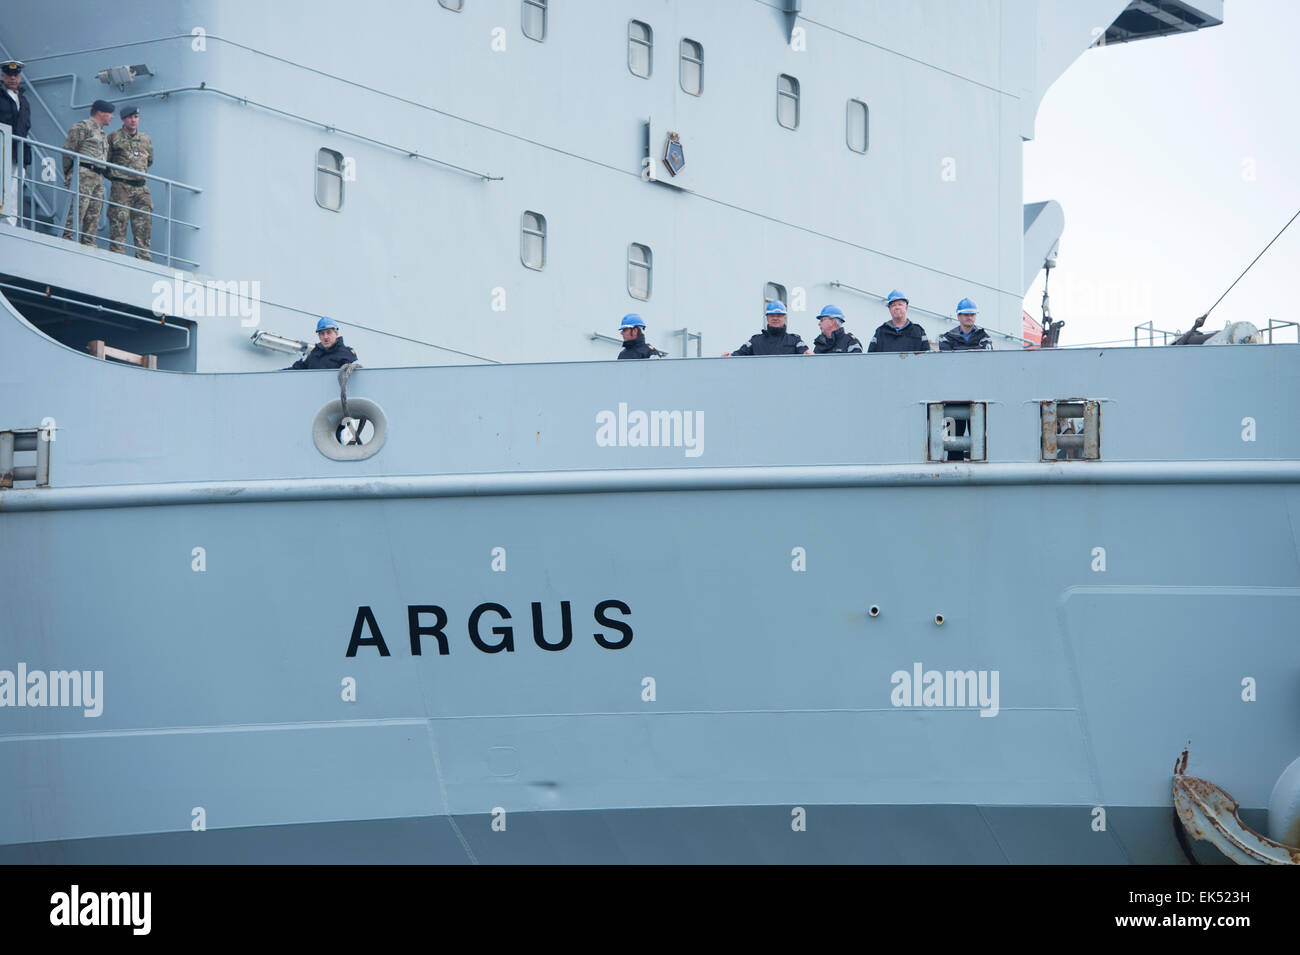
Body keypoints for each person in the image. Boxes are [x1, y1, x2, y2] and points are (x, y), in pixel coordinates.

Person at [61, 99, 114, 245]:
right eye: (109, 113)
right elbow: (68, 151)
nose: (112, 116)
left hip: (98, 177)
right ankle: (68, 240)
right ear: (100, 113)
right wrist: (69, 173)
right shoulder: (82, 127)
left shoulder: (102, 133)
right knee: (78, 209)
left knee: (94, 214)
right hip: (83, 173)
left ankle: (89, 243)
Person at [106, 105, 154, 260]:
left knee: (144, 226)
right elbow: (104, 162)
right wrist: (117, 177)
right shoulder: (114, 137)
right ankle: (117, 258)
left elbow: (149, 160)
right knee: (118, 224)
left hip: (141, 189)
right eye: (129, 117)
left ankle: (143, 258)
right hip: (121, 188)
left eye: (136, 117)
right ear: (123, 119)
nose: (133, 121)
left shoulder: (145, 139)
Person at [0, 60, 32, 228]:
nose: (13, 78)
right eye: (9, 75)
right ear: (3, 76)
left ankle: (10, 222)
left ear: (19, 77)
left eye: (16, 75)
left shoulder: (23, 100)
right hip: (2, 147)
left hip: (18, 151)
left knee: (14, 188)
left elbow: (25, 126)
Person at [723, 300, 810, 356]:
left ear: (784, 318)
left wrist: (808, 353)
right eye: (772, 315)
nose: (775, 318)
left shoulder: (795, 340)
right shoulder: (755, 341)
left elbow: (806, 353)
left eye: (779, 315)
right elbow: (739, 354)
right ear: (767, 318)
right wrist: (729, 356)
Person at [288, 317, 358, 369]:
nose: (325, 337)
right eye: (322, 333)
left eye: (328, 332)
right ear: (319, 336)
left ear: (336, 334)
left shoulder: (347, 354)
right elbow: (296, 369)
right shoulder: (314, 354)